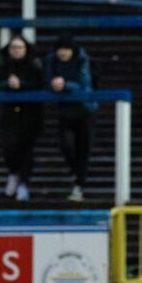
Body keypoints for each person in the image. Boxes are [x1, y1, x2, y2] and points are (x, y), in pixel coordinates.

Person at [44, 33, 97, 202]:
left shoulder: (82, 60)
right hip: (65, 110)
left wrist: (65, 84)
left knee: (83, 148)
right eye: (60, 49)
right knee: (65, 144)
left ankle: (79, 183)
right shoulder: (51, 60)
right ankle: (77, 175)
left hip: (84, 110)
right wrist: (53, 85)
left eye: (66, 49)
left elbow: (85, 85)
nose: (63, 53)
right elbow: (47, 80)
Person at [0, 34, 44, 202]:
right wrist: (7, 84)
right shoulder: (2, 63)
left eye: (20, 47)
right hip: (9, 112)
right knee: (9, 146)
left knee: (26, 148)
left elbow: (40, 83)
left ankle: (23, 183)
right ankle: (14, 174)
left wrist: (22, 85)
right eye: (13, 47)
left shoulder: (34, 64)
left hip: (30, 112)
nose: (16, 50)